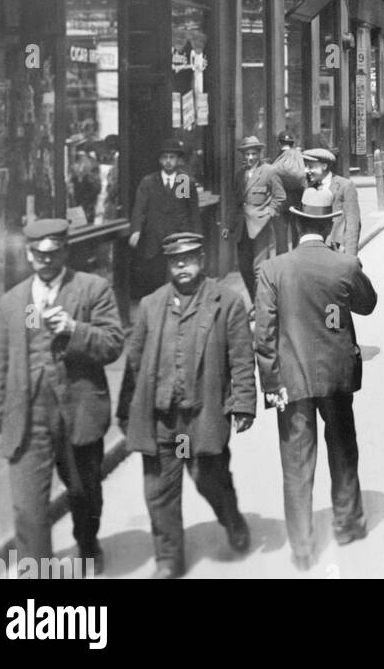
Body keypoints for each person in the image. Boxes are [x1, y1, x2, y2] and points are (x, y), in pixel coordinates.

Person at [0, 218, 124, 570]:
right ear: (29, 256)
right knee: (28, 507)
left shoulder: (93, 289)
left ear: (65, 252)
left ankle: (88, 546)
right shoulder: (13, 302)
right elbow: (1, 364)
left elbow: (113, 344)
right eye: (39, 255)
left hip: (78, 411)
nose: (46, 261)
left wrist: (75, 329)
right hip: (27, 416)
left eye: (53, 254)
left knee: (83, 494)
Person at [117, 232, 256, 579]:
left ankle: (231, 517)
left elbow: (241, 357)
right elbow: (134, 362)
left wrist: (243, 403)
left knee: (209, 478)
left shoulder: (228, 302)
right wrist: (125, 410)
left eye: (189, 258)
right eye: (175, 260)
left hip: (203, 414)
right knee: (158, 491)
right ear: (168, 264)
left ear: (202, 260)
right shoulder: (151, 305)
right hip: (161, 417)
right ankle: (168, 559)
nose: (182, 265)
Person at [254, 193, 378, 570]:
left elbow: (263, 335)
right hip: (336, 376)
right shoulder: (343, 264)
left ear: (295, 225)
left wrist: (271, 385)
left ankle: (303, 547)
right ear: (328, 226)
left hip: (290, 381)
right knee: (342, 450)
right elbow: (368, 303)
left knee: (296, 463)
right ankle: (347, 524)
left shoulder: (272, 270)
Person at [130, 139, 200, 298]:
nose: (169, 161)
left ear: (178, 160)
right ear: (160, 160)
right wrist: (136, 230)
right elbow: (139, 208)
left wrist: (194, 236)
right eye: (165, 157)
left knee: (177, 276)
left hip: (178, 237)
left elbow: (188, 210)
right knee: (155, 277)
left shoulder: (183, 181)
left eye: (172, 157)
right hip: (154, 238)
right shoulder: (149, 182)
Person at [223, 135, 287, 308]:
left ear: (259, 154)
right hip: (242, 227)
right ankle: (255, 302)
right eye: (246, 154)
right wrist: (228, 225)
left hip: (261, 227)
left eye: (253, 154)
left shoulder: (268, 171)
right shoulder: (238, 175)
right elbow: (234, 202)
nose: (249, 158)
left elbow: (280, 196)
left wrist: (269, 212)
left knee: (260, 269)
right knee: (244, 268)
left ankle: (262, 308)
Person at [302, 147, 361, 256]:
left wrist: (351, 256)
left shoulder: (345, 186)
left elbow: (353, 224)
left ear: (324, 166)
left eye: (310, 166)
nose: (306, 170)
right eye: (305, 166)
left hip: (336, 249)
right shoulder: (309, 188)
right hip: (315, 249)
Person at [270, 131, 307, 254]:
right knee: (297, 233)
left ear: (279, 143)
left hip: (281, 203)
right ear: (292, 143)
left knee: (281, 237)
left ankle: (282, 262)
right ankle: (296, 259)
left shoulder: (279, 159)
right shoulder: (298, 156)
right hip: (298, 200)